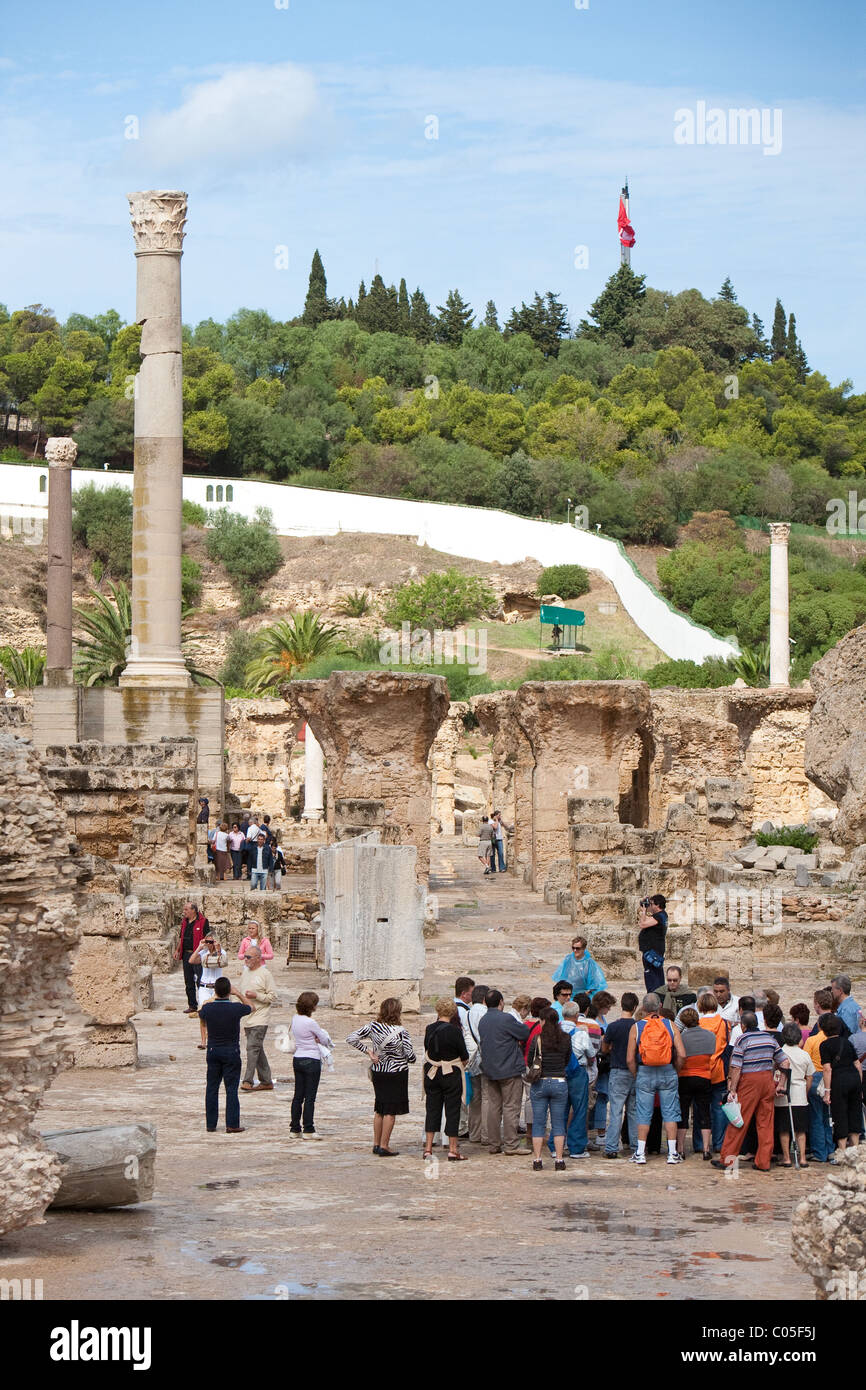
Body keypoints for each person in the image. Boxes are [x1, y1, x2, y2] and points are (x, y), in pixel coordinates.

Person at [713, 1012, 790, 1173]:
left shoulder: (743, 1039)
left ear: (743, 1025)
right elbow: (785, 1061)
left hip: (749, 1081)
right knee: (766, 1122)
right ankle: (763, 1162)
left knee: (739, 1120)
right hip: (767, 1080)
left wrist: (732, 1089)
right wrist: (781, 1083)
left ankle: (728, 1159)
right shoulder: (770, 1039)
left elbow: (736, 1067)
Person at [347, 998, 417, 1156]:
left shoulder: (373, 1026)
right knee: (390, 1111)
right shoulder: (401, 1032)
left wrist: (369, 1052)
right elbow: (411, 1056)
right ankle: (385, 1146)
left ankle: (376, 1143)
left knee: (380, 1108)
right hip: (396, 1073)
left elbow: (351, 1038)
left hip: (379, 1071)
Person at [627, 993, 685, 1164]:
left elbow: (630, 1058)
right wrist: (676, 1069)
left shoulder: (637, 1027)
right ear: (660, 1006)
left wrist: (636, 1073)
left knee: (644, 1113)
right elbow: (682, 1054)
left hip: (645, 1071)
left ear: (643, 1008)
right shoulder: (670, 1025)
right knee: (670, 1112)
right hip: (667, 1070)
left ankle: (640, 1152)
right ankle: (673, 1153)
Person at [478, 989, 530, 1156]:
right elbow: (524, 1033)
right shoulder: (506, 1018)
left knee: (493, 1107)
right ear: (501, 1002)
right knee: (511, 1107)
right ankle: (511, 1144)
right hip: (509, 1069)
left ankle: (494, 1143)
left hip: (489, 1069)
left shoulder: (483, 1020)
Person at [198, 976, 252, 1133]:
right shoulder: (235, 1008)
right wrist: (238, 994)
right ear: (229, 991)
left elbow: (201, 1010)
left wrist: (214, 996)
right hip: (231, 1051)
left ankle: (211, 1124)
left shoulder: (208, 1009)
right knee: (231, 1089)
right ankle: (232, 1124)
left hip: (213, 1051)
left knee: (212, 1088)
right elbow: (251, 1007)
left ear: (215, 991)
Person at [423, 998, 470, 1161]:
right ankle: (452, 1149)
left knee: (432, 1109)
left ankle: (428, 1148)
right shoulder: (455, 1031)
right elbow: (464, 1055)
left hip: (432, 1073)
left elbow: (426, 1049)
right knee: (452, 1111)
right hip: (451, 1074)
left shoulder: (429, 1028)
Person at [527, 1008, 573, 1170]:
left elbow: (530, 1061)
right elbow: (567, 1059)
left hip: (540, 1082)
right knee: (558, 1123)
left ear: (543, 1021)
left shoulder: (537, 1039)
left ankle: (537, 1160)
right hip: (560, 1082)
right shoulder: (566, 1038)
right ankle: (559, 1160)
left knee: (539, 1122)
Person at [552, 1001, 594, 1158]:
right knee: (579, 1109)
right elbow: (590, 1054)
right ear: (577, 1015)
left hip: (557, 1072)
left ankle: (556, 1146)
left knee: (559, 1109)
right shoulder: (581, 1033)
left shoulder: (554, 1031)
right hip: (577, 1073)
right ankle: (576, 1147)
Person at [290, 991, 332, 1138]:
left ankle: (294, 1128)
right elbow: (324, 1039)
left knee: (298, 1096)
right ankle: (308, 1128)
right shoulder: (311, 1022)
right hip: (311, 1059)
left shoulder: (295, 1019)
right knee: (310, 1097)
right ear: (312, 1007)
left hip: (298, 1058)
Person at [820, 1013, 863, 1158]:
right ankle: (856, 1149)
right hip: (854, 1078)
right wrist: (860, 1085)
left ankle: (843, 1151)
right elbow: (857, 1064)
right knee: (855, 1112)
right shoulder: (847, 1042)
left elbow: (827, 1069)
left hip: (839, 1081)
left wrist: (827, 1091)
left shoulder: (825, 1045)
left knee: (840, 1114)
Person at [676, 1008, 715, 1160]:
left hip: (685, 1076)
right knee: (704, 1113)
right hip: (704, 1075)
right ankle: (706, 1148)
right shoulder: (710, 1036)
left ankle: (680, 1148)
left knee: (683, 1113)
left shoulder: (682, 1038)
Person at [603, 992, 639, 1158]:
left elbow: (604, 1048)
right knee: (633, 1111)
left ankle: (611, 1147)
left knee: (616, 1111)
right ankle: (635, 1146)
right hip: (634, 1071)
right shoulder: (638, 1026)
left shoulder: (613, 1027)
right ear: (634, 1007)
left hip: (617, 1069)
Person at [239, 944, 278, 1093]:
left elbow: (273, 996)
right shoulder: (245, 973)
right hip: (248, 1018)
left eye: (248, 957)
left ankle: (247, 1081)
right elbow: (241, 994)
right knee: (257, 1049)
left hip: (260, 1018)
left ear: (257, 958)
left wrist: (257, 996)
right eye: (245, 956)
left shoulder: (265, 974)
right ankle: (266, 1080)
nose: (245, 959)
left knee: (252, 1048)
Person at [776, 1020, 815, 1167]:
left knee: (784, 1129)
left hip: (783, 1095)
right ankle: (803, 1158)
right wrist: (805, 1091)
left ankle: (787, 1158)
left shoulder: (780, 1053)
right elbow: (809, 1076)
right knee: (801, 1129)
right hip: (800, 1095)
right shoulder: (804, 1055)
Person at [697, 993, 730, 1155]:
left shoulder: (698, 1023)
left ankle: (699, 1143)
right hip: (718, 1069)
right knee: (719, 1108)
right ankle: (719, 1142)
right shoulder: (723, 1023)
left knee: (700, 1108)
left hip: (701, 1068)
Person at [803, 1013, 835, 1163]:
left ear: (820, 1025)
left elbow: (806, 1061)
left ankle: (819, 1152)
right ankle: (830, 1150)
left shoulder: (812, 1040)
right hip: (830, 1077)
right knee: (828, 1117)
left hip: (815, 1076)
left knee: (815, 1117)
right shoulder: (833, 1040)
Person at [190, 932, 228, 1048]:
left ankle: (217, 1039)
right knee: (202, 1013)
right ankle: (203, 1041)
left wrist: (218, 950)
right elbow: (191, 961)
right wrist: (199, 947)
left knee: (219, 1014)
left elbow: (223, 963)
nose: (208, 944)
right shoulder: (203, 953)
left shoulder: (222, 953)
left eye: (210, 942)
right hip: (204, 986)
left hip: (217, 987)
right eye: (207, 942)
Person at [466, 984, 489, 1144]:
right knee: (488, 1097)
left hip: (471, 1059)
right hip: (485, 1058)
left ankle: (474, 1134)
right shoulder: (486, 1013)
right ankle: (487, 1135)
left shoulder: (466, 1013)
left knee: (475, 1099)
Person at [174, 901, 207, 1014]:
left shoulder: (203, 922)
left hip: (197, 954)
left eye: (186, 909)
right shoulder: (184, 922)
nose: (184, 912)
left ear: (193, 910)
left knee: (200, 980)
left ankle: (203, 1005)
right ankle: (192, 1005)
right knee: (188, 981)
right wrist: (178, 950)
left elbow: (207, 938)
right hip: (186, 954)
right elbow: (181, 938)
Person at [637, 896, 668, 994]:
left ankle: (654, 998)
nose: (650, 906)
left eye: (651, 904)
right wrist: (643, 905)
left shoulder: (659, 916)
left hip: (652, 953)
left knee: (652, 979)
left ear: (657, 905)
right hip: (653, 951)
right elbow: (646, 920)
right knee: (656, 976)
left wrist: (644, 911)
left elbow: (642, 924)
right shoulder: (661, 915)